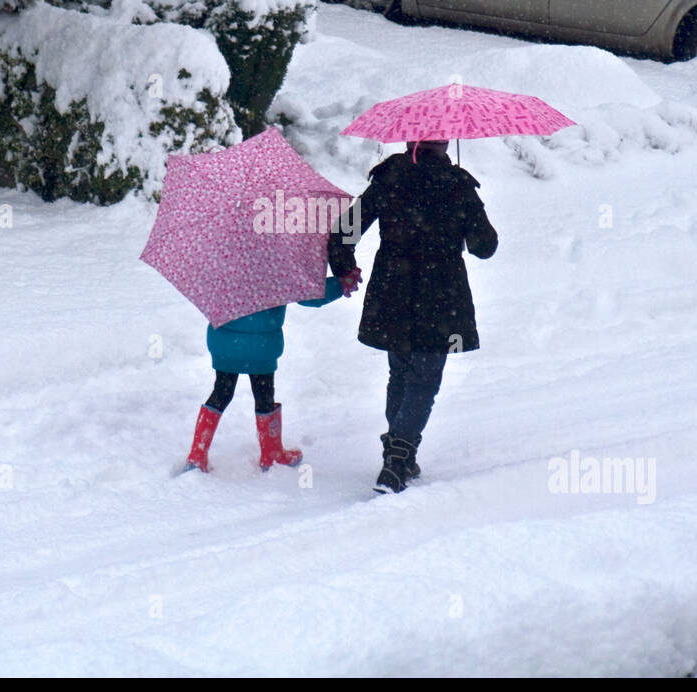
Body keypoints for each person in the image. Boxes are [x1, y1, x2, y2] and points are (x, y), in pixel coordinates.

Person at [328, 139, 497, 494]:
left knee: (401, 372)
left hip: (393, 290)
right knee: (423, 379)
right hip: (441, 294)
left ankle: (400, 455)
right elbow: (486, 247)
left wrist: (345, 269)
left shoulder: (388, 178)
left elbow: (343, 233)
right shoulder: (458, 184)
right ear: (445, 142)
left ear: (409, 141)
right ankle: (397, 458)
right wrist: (464, 215)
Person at [185, 268, 361, 474]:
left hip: (225, 341)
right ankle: (271, 452)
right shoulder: (278, 263)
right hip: (261, 345)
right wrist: (341, 284)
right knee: (264, 396)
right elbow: (309, 294)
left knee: (221, 392)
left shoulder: (223, 261)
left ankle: (197, 454)